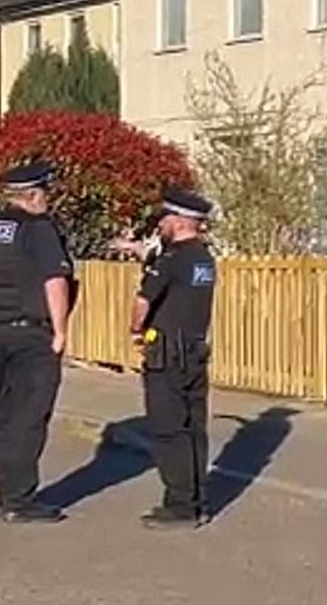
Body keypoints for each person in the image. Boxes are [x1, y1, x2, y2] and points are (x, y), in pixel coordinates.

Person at [0, 162, 74, 524]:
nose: (47, 200)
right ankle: (20, 501)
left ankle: (6, 492)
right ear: (34, 195)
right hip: (30, 336)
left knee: (3, 416)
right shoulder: (38, 229)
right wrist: (60, 332)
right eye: (46, 193)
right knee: (29, 416)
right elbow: (55, 281)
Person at [126, 188, 217, 529]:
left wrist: (136, 329)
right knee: (194, 429)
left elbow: (143, 302)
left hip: (167, 353)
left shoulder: (173, 259)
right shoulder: (203, 258)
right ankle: (196, 501)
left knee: (169, 429)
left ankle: (180, 506)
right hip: (194, 349)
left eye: (164, 219)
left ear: (178, 221)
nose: (160, 224)